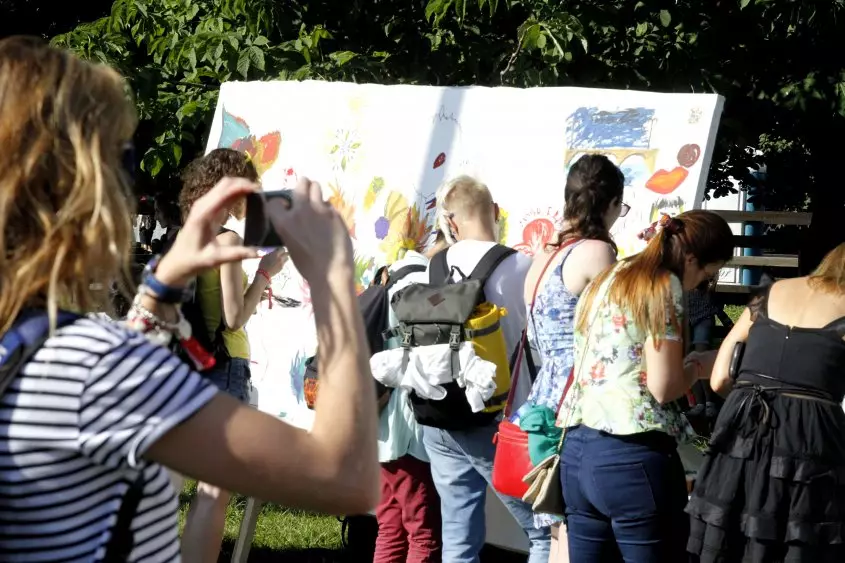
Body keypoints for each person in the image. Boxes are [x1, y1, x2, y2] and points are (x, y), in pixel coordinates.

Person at [0, 36, 379, 562]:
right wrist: (335, 283)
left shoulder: (51, 354)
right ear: (83, 186)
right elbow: (347, 479)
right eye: (122, 160)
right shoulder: (91, 364)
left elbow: (95, 401)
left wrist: (163, 283)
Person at [558, 210, 734, 562]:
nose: (699, 285)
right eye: (705, 274)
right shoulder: (661, 284)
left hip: (576, 453)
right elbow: (664, 386)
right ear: (690, 257)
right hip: (632, 457)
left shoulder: (610, 276)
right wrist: (699, 366)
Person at [687, 242, 845, 563]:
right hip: (809, 436)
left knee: (730, 533)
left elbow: (719, 378)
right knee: (795, 537)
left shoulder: (771, 292)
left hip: (741, 427)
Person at [422, 176, 551, 563]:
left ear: (451, 220)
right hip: (497, 420)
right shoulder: (520, 265)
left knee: (458, 537)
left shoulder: (436, 264)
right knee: (544, 531)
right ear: (495, 213)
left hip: (439, 414)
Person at [177, 148, 286, 563]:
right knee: (213, 492)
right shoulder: (228, 240)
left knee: (190, 487)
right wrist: (264, 273)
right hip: (224, 367)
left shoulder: (188, 233)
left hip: (189, 364)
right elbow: (234, 316)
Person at [518, 155, 625, 560]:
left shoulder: (545, 256)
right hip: (577, 402)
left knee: (555, 532)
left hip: (545, 396)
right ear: (611, 204)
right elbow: (616, 332)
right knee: (575, 533)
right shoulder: (596, 252)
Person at [373, 231, 449, 563]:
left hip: (382, 427)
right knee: (424, 532)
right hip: (413, 429)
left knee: (390, 527)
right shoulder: (426, 286)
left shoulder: (387, 279)